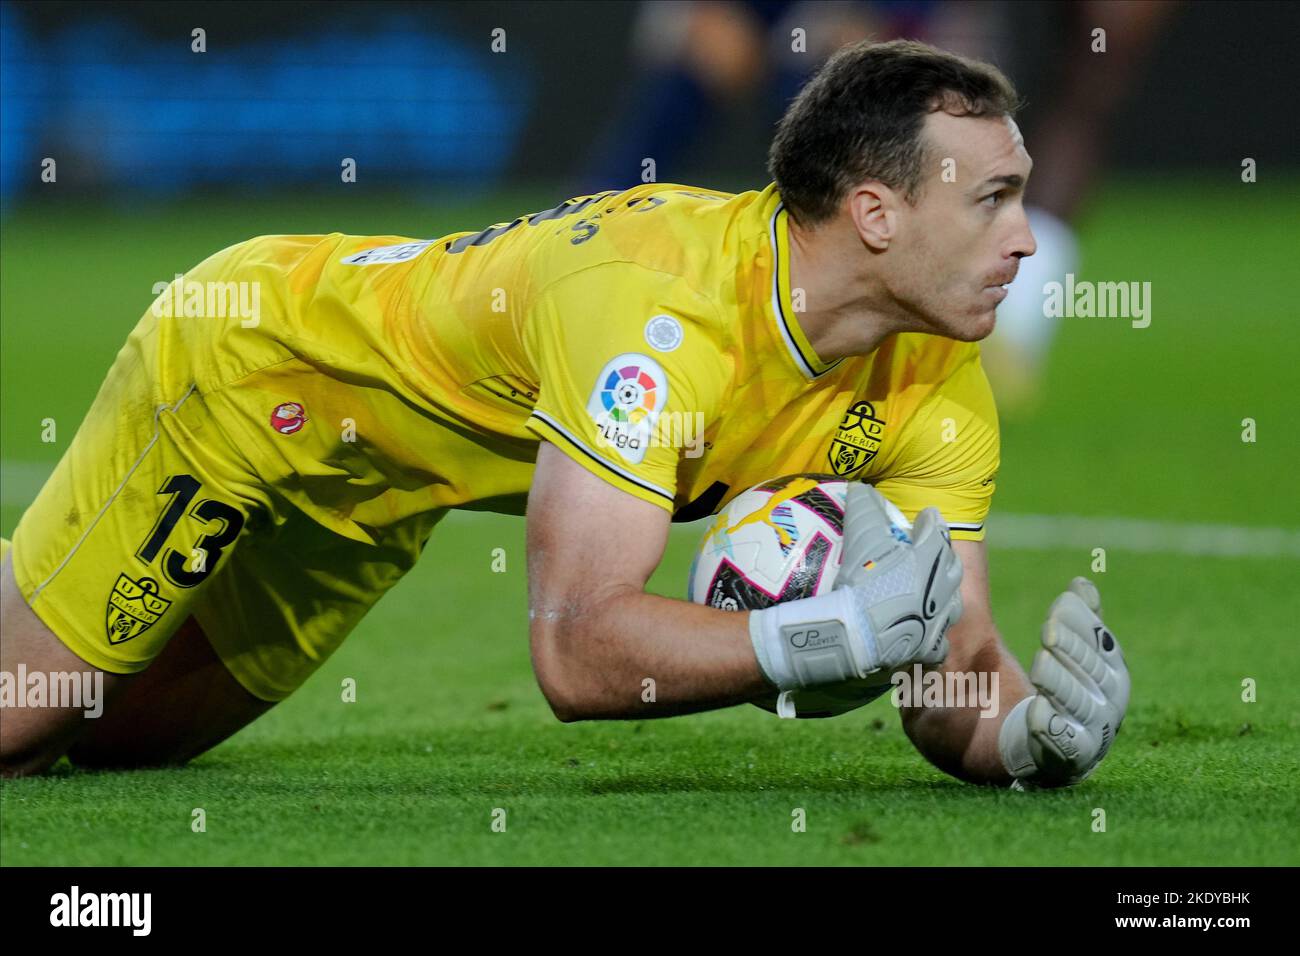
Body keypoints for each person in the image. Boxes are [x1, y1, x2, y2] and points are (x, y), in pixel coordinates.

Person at [1, 40, 1128, 788]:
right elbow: (578, 648)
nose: (1028, 239)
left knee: (116, 744)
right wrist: (818, 638)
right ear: (876, 213)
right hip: (254, 378)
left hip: (383, 497)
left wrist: (1028, 732)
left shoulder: (934, 384)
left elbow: (951, 659)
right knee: (19, 724)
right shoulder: (657, 314)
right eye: (992, 198)